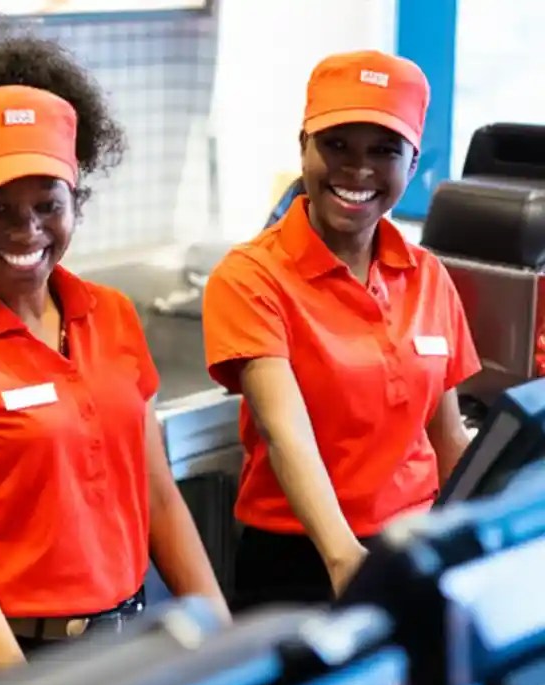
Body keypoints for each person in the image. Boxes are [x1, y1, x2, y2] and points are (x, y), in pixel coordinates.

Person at [0, 29, 229, 685]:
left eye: (48, 205)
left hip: (126, 644)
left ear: (79, 200)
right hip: (4, 666)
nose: (27, 231)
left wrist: (217, 634)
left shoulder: (115, 316)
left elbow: (159, 499)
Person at [202, 50, 480, 610]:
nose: (358, 171)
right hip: (304, 561)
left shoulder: (427, 276)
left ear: (414, 162)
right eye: (336, 146)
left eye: (384, 151)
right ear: (302, 145)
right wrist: (345, 560)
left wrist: (485, 532)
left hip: (411, 547)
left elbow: (447, 441)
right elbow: (286, 434)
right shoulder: (253, 275)